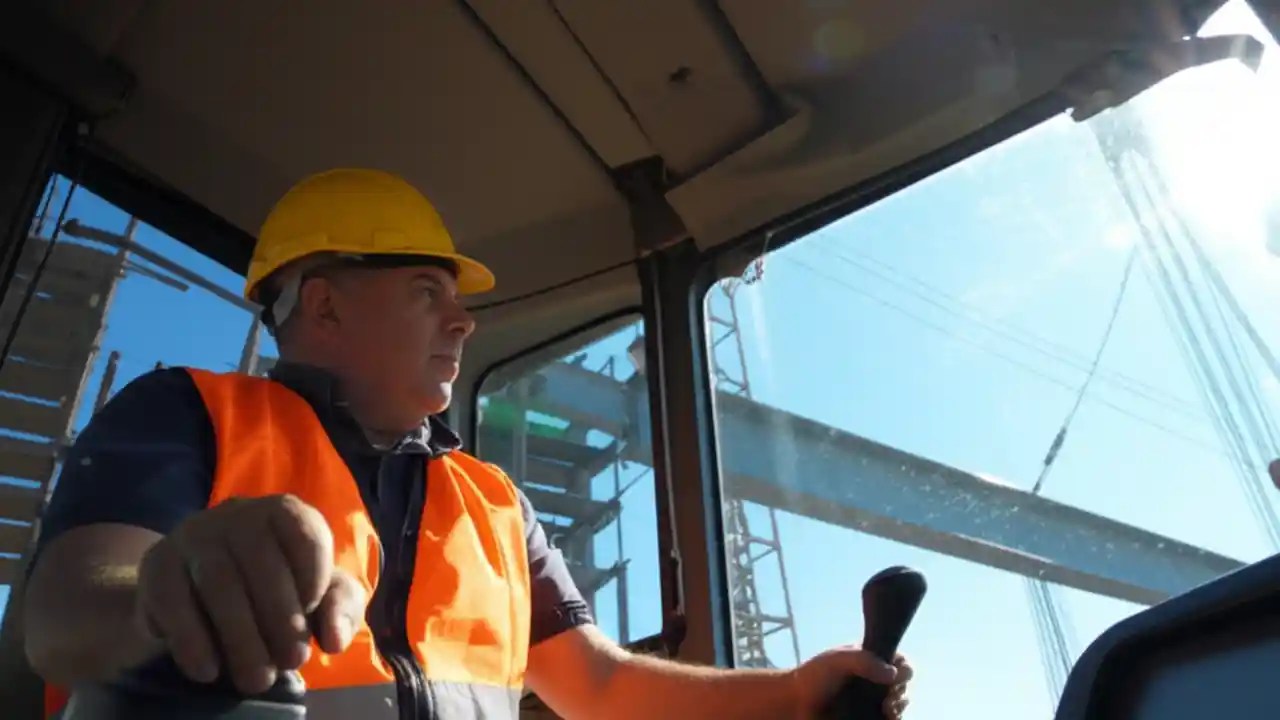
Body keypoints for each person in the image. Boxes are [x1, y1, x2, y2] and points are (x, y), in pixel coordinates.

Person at [22, 168, 912, 719]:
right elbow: (62, 612)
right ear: (324, 303)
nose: (463, 319)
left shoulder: (494, 502)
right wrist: (166, 595)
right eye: (424, 290)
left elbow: (600, 688)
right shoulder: (187, 412)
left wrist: (791, 694)